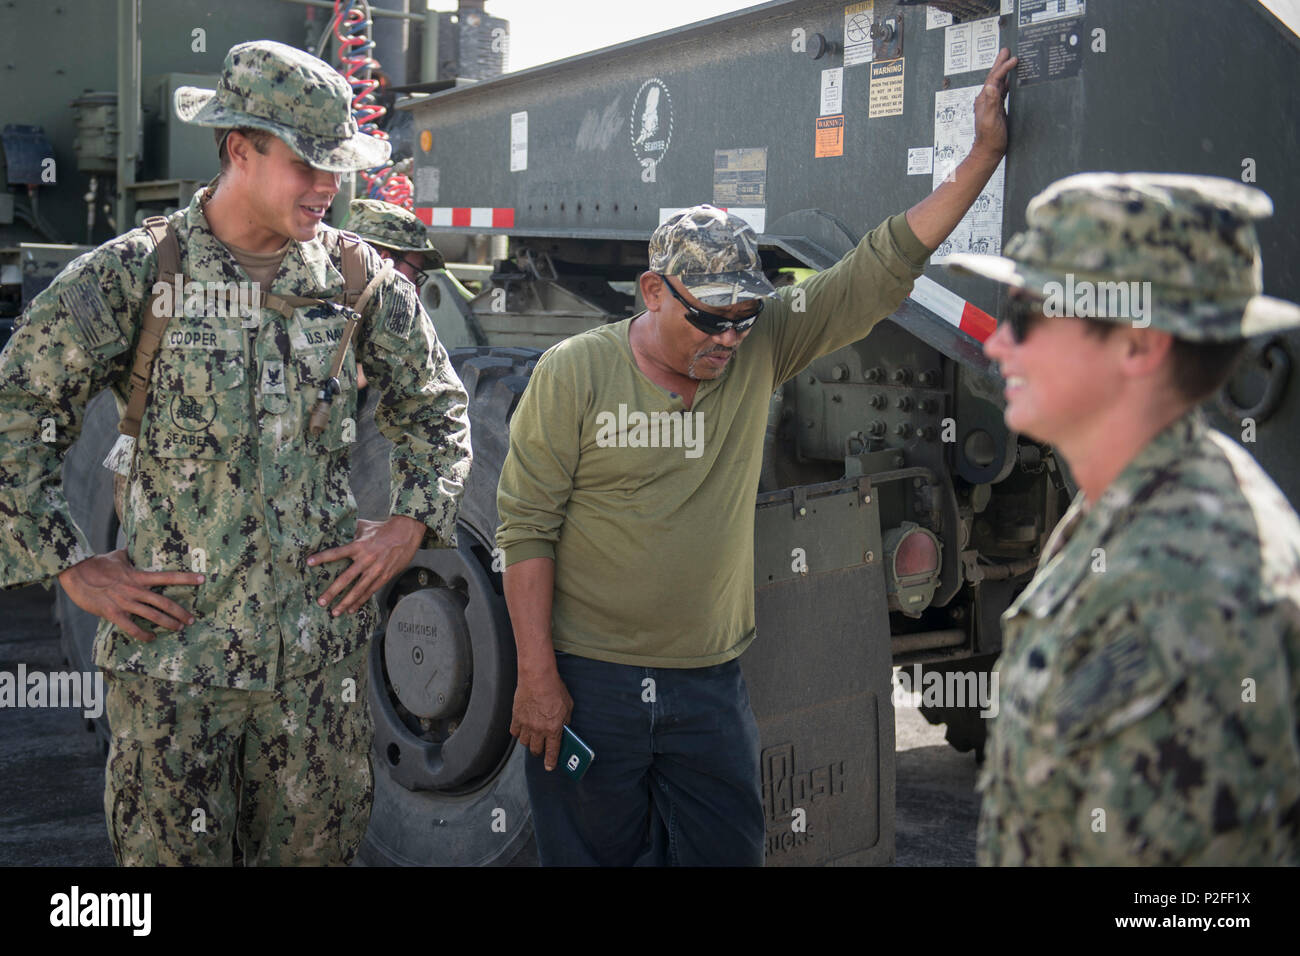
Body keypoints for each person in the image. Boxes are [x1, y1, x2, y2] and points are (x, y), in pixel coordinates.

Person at [496, 50, 1018, 866]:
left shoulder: (759, 345)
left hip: (708, 683)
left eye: (745, 318)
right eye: (710, 320)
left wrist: (981, 157)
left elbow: (876, 270)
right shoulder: (576, 375)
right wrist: (536, 677)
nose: (729, 339)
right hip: (591, 682)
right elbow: (524, 529)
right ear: (654, 292)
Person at [0, 40, 472, 866]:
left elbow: (436, 408)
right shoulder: (135, 278)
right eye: (306, 165)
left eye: (338, 168)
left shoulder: (358, 281)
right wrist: (71, 565)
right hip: (175, 688)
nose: (328, 188)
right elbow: (16, 411)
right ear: (238, 149)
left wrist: (410, 522)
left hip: (315, 687)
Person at [946, 172, 1300, 865]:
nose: (997, 344)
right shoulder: (1132, 509)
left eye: (1026, 315)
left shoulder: (1182, 594)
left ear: (1138, 343)